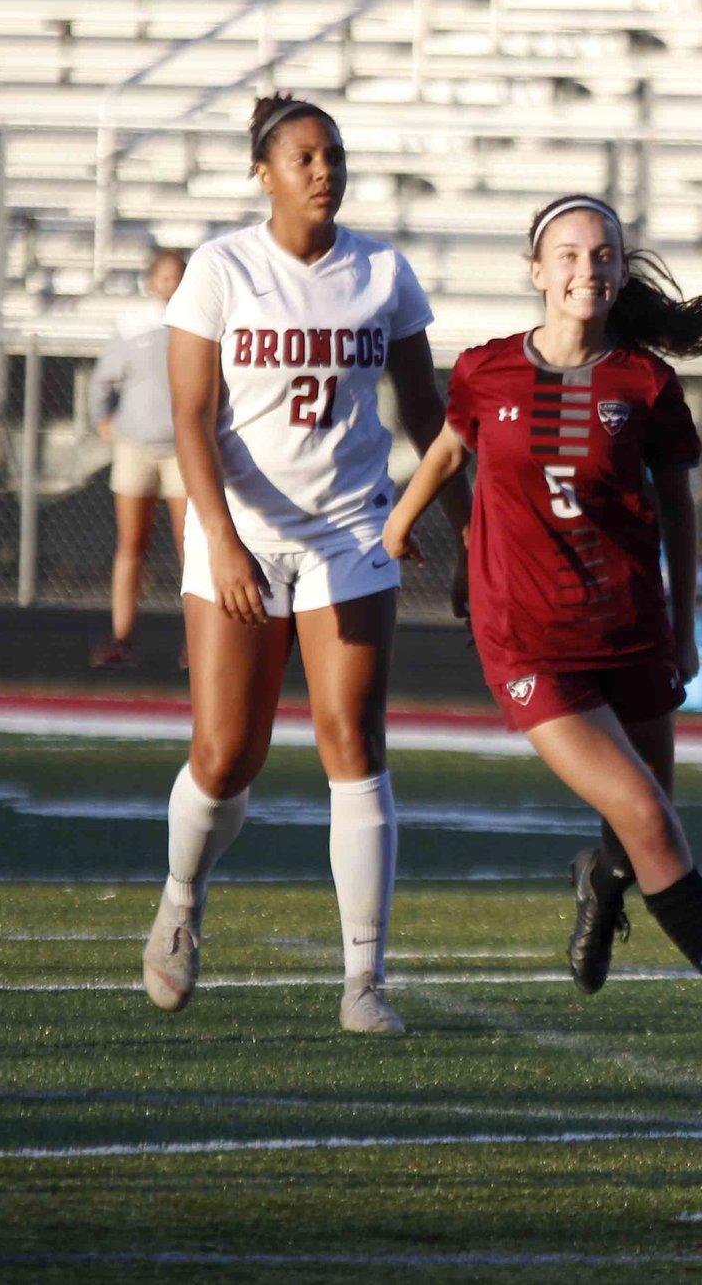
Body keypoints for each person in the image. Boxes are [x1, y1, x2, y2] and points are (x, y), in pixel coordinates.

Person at [380, 193, 702, 1072]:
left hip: (631, 630)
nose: (589, 270)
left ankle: (600, 880)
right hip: (528, 641)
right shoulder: (484, 370)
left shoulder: (646, 383)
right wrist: (402, 525)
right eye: (571, 256)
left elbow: (677, 506)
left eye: (605, 256)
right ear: (536, 271)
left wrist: (686, 628)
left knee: (640, 828)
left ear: (621, 271)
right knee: (647, 815)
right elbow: (451, 446)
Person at [142, 94, 469, 1035]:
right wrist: (223, 540)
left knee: (352, 741)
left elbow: (423, 412)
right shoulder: (220, 270)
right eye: (304, 157)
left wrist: (465, 531)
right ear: (264, 170)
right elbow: (191, 421)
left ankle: (363, 981)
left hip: (352, 534)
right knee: (225, 754)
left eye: (333, 155)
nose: (323, 171)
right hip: (240, 528)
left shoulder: (382, 271)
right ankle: (180, 902)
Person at [90, 248, 188, 669]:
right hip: (137, 448)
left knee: (193, 551)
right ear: (151, 283)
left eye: (178, 277)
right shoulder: (133, 325)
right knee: (131, 544)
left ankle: (198, 641)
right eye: (164, 277)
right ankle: (122, 635)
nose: (171, 285)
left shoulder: (203, 323)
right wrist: (102, 419)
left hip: (186, 453)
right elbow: (103, 379)